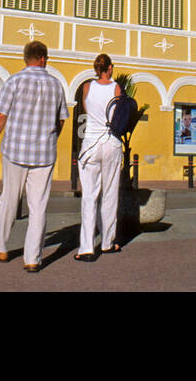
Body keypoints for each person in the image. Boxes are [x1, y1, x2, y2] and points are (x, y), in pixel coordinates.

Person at [0, 40, 68, 273]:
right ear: (42, 58)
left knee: (10, 198)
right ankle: (33, 259)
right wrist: (51, 137)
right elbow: (61, 120)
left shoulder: (15, 81)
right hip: (44, 153)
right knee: (38, 206)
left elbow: (1, 115)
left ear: (27, 58)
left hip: (16, 150)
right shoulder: (56, 85)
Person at [76, 53, 125, 261]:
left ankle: (86, 248)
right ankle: (107, 243)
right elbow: (118, 117)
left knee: (89, 196)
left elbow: (88, 112)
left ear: (96, 68)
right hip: (111, 143)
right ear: (110, 68)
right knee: (110, 194)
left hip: (91, 144)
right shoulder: (116, 88)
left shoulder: (87, 87)